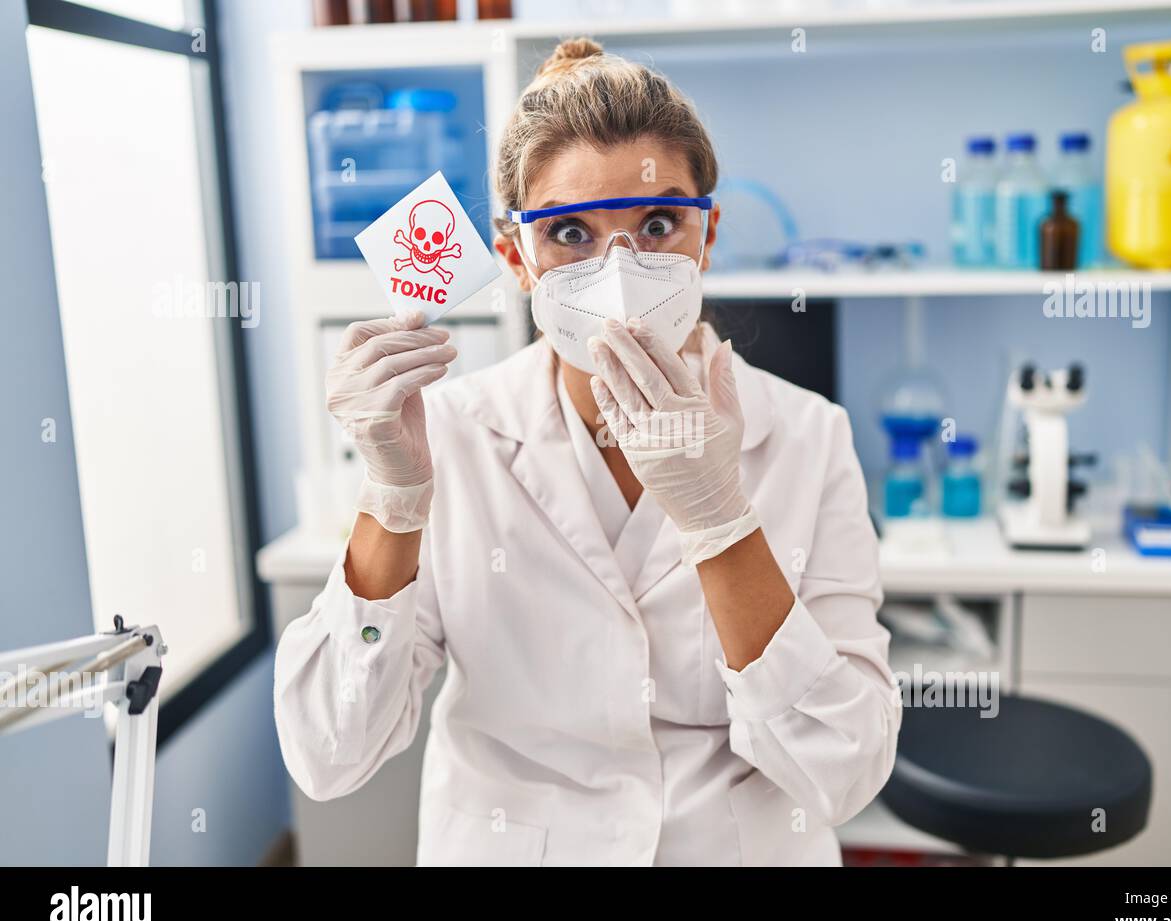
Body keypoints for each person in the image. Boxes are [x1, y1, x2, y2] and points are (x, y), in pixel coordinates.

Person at [274, 37, 901, 866]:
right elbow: (329, 752)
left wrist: (718, 519)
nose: (620, 272)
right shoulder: (453, 434)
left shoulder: (809, 435)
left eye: (657, 224)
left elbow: (846, 771)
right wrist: (392, 498)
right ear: (515, 258)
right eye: (569, 231)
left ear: (706, 236)